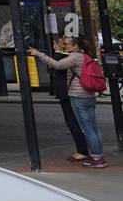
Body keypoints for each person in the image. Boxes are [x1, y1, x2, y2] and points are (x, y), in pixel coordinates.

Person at [31, 35, 107, 168]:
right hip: (90, 96)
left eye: (67, 44)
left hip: (78, 96)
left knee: (87, 128)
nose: (65, 46)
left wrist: (39, 54)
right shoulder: (85, 56)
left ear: (76, 46)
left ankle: (96, 158)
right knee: (93, 127)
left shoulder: (74, 57)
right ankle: (99, 155)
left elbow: (57, 65)